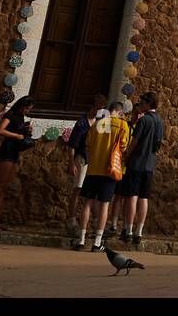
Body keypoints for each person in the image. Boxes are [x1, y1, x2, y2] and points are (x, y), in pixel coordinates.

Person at [73, 101, 130, 253]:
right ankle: (97, 242)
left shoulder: (97, 124)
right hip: (109, 171)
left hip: (93, 169)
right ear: (119, 112)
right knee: (104, 205)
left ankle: (81, 239)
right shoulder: (122, 125)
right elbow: (123, 147)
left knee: (87, 204)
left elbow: (88, 145)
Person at [115, 91, 164, 246]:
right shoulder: (160, 122)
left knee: (132, 196)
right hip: (149, 164)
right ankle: (139, 231)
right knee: (144, 198)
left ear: (149, 104)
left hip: (136, 163)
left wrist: (127, 154)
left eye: (142, 103)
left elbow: (134, 141)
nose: (140, 105)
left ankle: (128, 230)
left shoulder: (144, 121)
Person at [0, 96, 34, 232]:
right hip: (6, 152)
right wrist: (16, 136)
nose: (28, 111)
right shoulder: (11, 114)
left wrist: (26, 131)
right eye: (27, 108)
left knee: (4, 188)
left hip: (14, 152)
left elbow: (18, 131)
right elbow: (1, 130)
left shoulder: (21, 118)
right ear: (22, 106)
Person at [62, 93, 107, 236]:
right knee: (78, 189)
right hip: (82, 159)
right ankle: (72, 221)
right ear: (92, 107)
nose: (100, 111)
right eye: (99, 108)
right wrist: (71, 163)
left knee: (92, 192)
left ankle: (95, 221)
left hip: (95, 161)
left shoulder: (101, 122)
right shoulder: (81, 123)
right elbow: (72, 145)